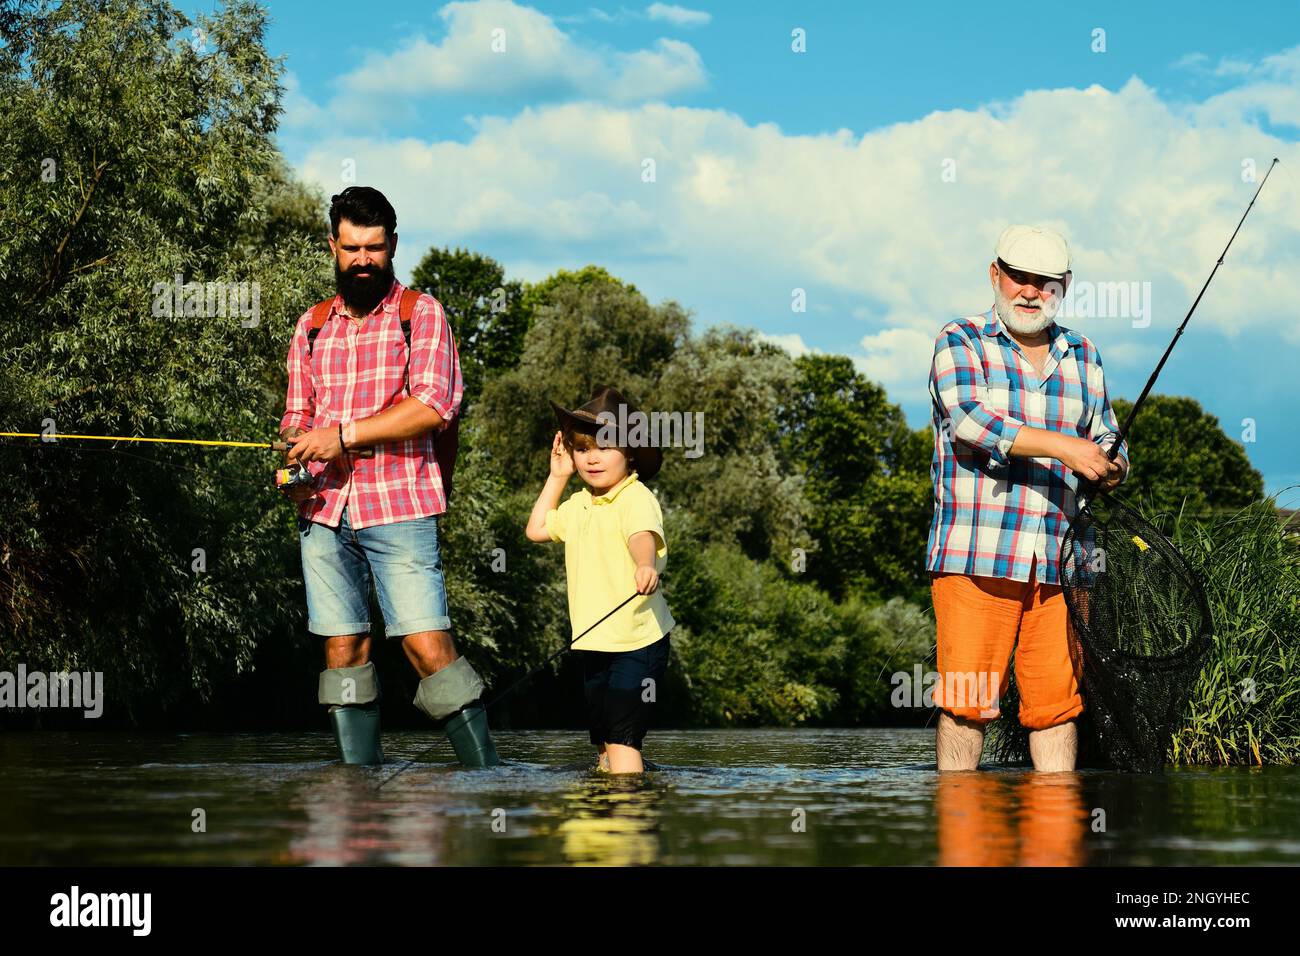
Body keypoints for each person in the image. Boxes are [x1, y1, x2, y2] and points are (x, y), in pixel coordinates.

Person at [279, 185, 499, 767]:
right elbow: (297, 416)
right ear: (333, 245)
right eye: (351, 248)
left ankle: (486, 779)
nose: (362, 260)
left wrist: (343, 435)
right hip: (323, 512)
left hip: (401, 505)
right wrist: (292, 458)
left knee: (427, 648)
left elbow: (433, 406)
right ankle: (358, 786)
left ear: (393, 245)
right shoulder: (311, 325)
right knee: (343, 652)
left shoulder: (420, 313)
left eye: (374, 248)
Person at [926, 224, 1128, 772]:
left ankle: (1055, 847)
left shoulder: (1084, 352)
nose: (1030, 291)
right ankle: (966, 843)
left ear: (1064, 285)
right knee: (966, 707)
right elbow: (970, 419)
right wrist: (1067, 448)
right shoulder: (961, 338)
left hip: (1065, 561)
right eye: (1019, 277)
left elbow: (1109, 436)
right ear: (996, 274)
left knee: (1057, 710)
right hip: (977, 556)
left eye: (1045, 281)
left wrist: (1110, 466)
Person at [524, 386, 675, 774]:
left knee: (623, 741)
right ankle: (602, 826)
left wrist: (645, 565)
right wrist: (557, 476)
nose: (592, 458)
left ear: (629, 452)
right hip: (593, 642)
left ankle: (628, 819)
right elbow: (536, 529)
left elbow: (642, 536)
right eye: (583, 448)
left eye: (605, 447)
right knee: (606, 745)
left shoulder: (635, 497)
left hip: (638, 642)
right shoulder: (578, 506)